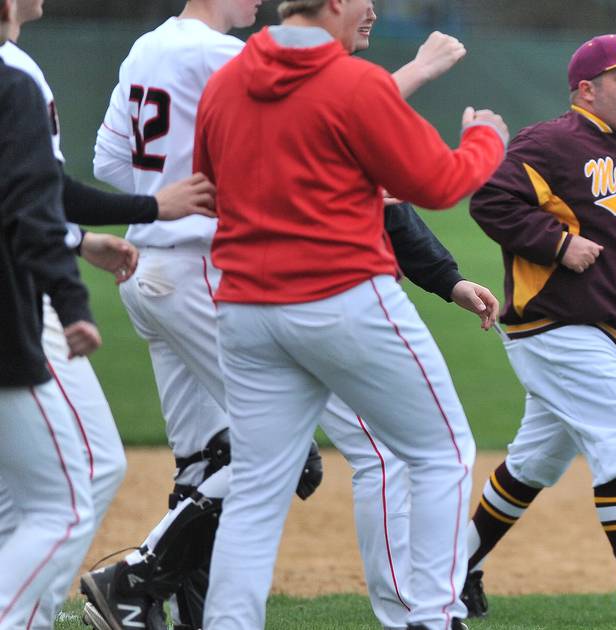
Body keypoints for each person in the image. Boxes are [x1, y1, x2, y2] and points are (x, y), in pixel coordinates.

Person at [79, 1, 498, 628]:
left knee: (246, 478)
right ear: (331, 4)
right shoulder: (316, 76)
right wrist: (486, 135)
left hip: (222, 294)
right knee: (435, 452)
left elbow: (160, 170)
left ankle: (207, 614)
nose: (372, 8)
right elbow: (436, 180)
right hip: (314, 289)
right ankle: (430, 616)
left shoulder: (210, 74)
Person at [0, 1, 215, 627]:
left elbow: (33, 187)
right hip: (19, 294)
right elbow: (34, 201)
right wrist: (70, 295)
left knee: (24, 492)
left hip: (34, 272)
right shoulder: (13, 72)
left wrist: (81, 238)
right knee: (81, 479)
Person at [465, 33, 616, 623]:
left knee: (536, 462)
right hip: (555, 325)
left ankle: (457, 568)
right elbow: (489, 199)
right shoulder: (551, 142)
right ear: (587, 89)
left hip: (607, 333)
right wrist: (557, 244)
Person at [0, 51, 100, 630]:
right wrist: (71, 303)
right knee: (64, 504)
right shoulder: (12, 85)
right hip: (9, 328)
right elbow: (34, 214)